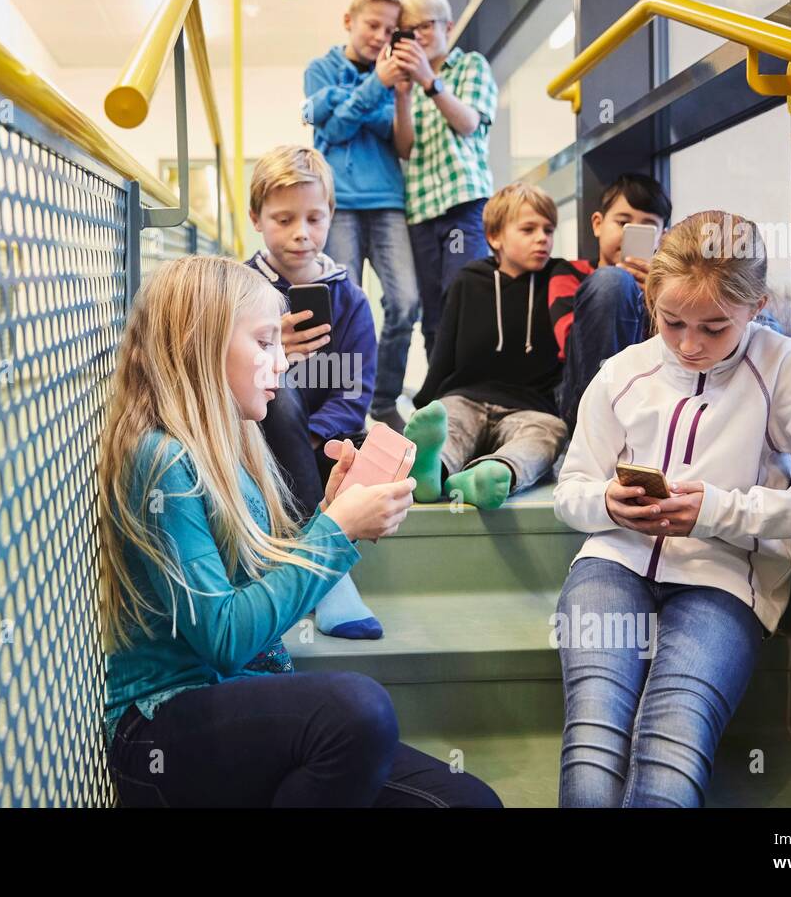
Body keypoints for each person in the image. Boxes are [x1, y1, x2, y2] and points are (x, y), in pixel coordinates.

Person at [97, 255, 501, 807]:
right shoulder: (161, 459)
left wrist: (331, 514)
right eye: (264, 343)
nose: (282, 364)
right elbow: (226, 637)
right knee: (359, 711)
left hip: (237, 709)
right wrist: (334, 531)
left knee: (471, 802)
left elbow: (256, 582)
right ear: (200, 345)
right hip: (161, 731)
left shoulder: (231, 443)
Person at [552, 211, 791, 807]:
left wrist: (722, 511)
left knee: (669, 756)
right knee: (591, 745)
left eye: (714, 327)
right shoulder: (621, 374)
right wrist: (607, 503)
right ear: (651, 299)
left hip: (723, 584)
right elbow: (570, 491)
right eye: (672, 322)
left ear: (757, 304)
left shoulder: (784, 367)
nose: (690, 345)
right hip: (612, 565)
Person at [246, 144, 385, 639]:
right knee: (276, 390)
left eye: (314, 217)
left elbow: (354, 395)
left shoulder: (350, 301)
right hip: (253, 446)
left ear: (331, 216)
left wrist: (308, 440)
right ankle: (326, 574)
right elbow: (219, 382)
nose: (301, 233)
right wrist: (267, 346)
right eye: (283, 219)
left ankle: (313, 548)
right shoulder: (238, 291)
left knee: (377, 442)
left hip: (319, 449)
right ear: (256, 219)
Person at [403, 182, 570, 510]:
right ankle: (431, 470)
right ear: (495, 237)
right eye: (528, 229)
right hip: (466, 396)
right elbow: (444, 349)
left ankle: (491, 474)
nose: (542, 238)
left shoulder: (560, 277)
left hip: (531, 408)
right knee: (450, 425)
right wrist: (425, 404)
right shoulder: (467, 280)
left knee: (546, 436)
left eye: (548, 230)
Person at [303, 0, 420, 432]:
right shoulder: (320, 70)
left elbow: (401, 143)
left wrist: (392, 96)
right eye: (373, 24)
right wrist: (376, 89)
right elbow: (328, 132)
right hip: (341, 204)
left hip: (389, 200)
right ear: (348, 21)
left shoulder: (393, 76)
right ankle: (343, 403)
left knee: (406, 302)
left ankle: (383, 396)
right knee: (345, 304)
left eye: (390, 29)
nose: (380, 36)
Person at [391, 0, 498, 358]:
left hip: (463, 203)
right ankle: (438, 399)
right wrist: (403, 97)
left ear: (448, 26)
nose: (417, 35)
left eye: (424, 26)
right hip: (420, 210)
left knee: (463, 297)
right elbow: (404, 148)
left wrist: (429, 82)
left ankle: (467, 388)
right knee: (433, 311)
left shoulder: (470, 66)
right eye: (408, 30)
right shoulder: (405, 82)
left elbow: (469, 123)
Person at [548, 173, 673, 434]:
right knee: (612, 282)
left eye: (647, 226)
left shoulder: (668, 286)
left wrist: (657, 296)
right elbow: (572, 341)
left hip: (650, 396)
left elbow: (679, 346)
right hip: (583, 396)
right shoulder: (569, 272)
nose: (630, 233)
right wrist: (617, 287)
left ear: (662, 236)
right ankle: (603, 426)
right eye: (623, 222)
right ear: (597, 224)